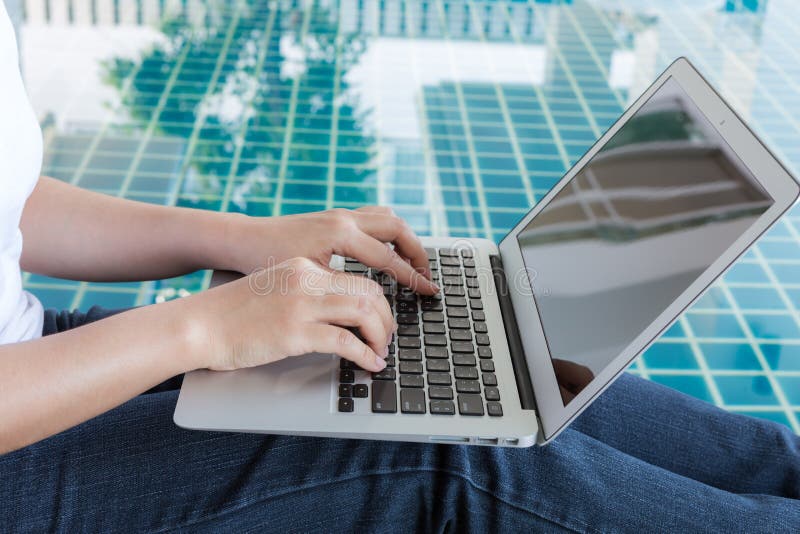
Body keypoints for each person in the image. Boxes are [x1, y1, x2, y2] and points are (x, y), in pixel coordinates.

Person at [1, 5, 798, 531]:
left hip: (33, 352)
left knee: (514, 377)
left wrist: (238, 237)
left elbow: (16, 205)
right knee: (443, 446)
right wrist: (204, 326)